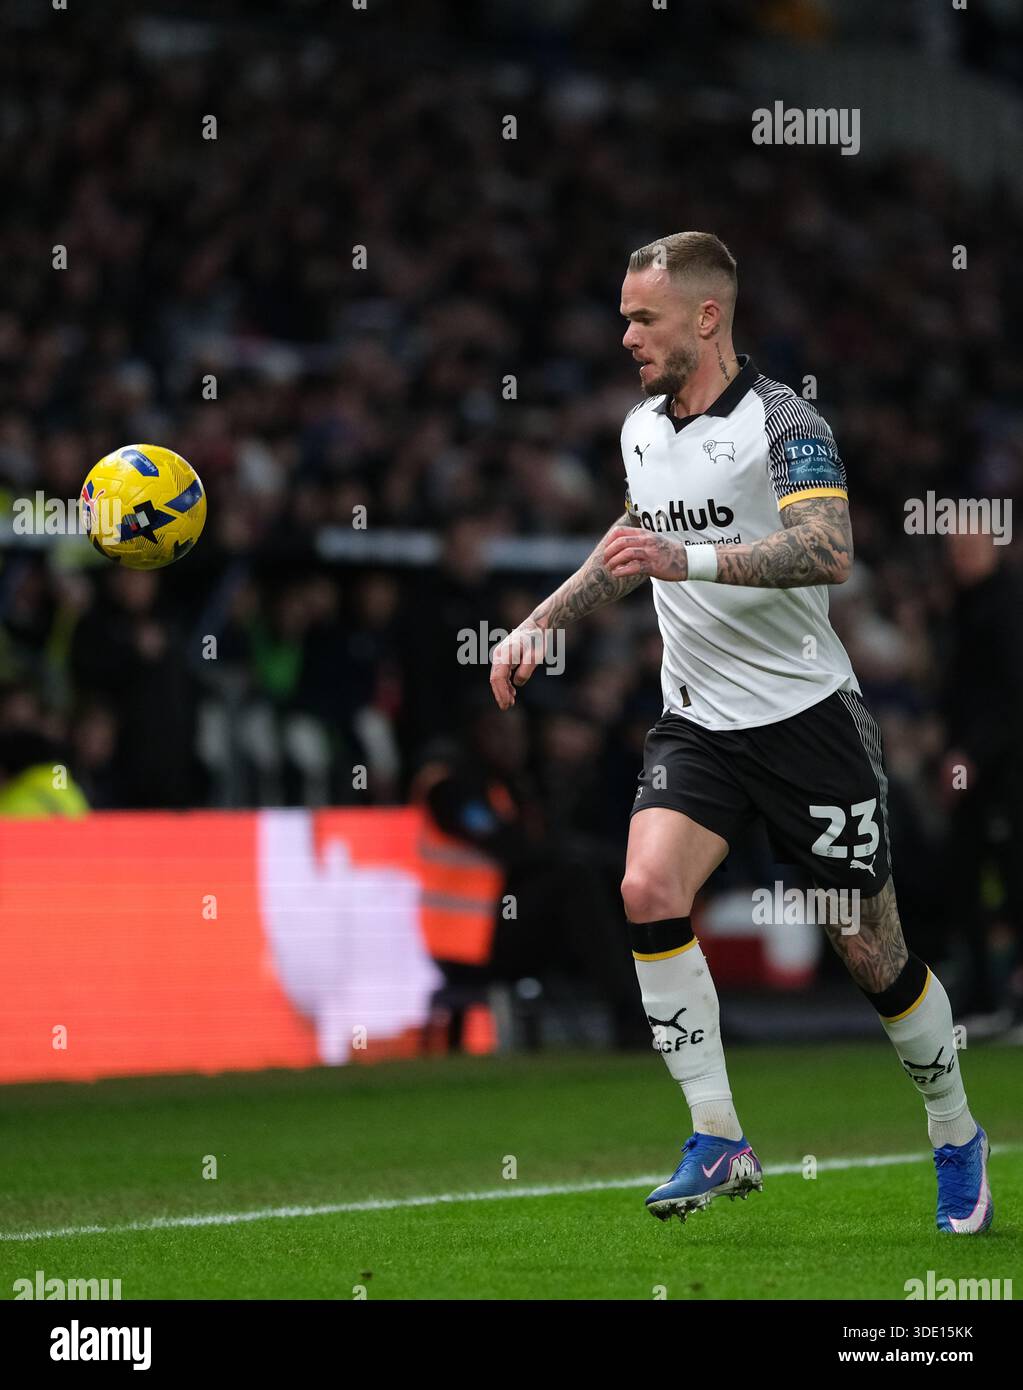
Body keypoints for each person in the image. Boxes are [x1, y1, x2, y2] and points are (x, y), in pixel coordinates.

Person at [489, 231, 992, 1234]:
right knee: (645, 887)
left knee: (870, 951)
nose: (626, 334)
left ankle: (953, 1130)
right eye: (625, 316)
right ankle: (718, 1135)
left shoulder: (785, 421)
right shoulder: (642, 429)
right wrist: (545, 619)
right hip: (699, 724)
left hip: (809, 723)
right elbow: (636, 543)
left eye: (644, 318)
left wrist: (694, 562)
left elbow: (829, 547)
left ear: (706, 317)